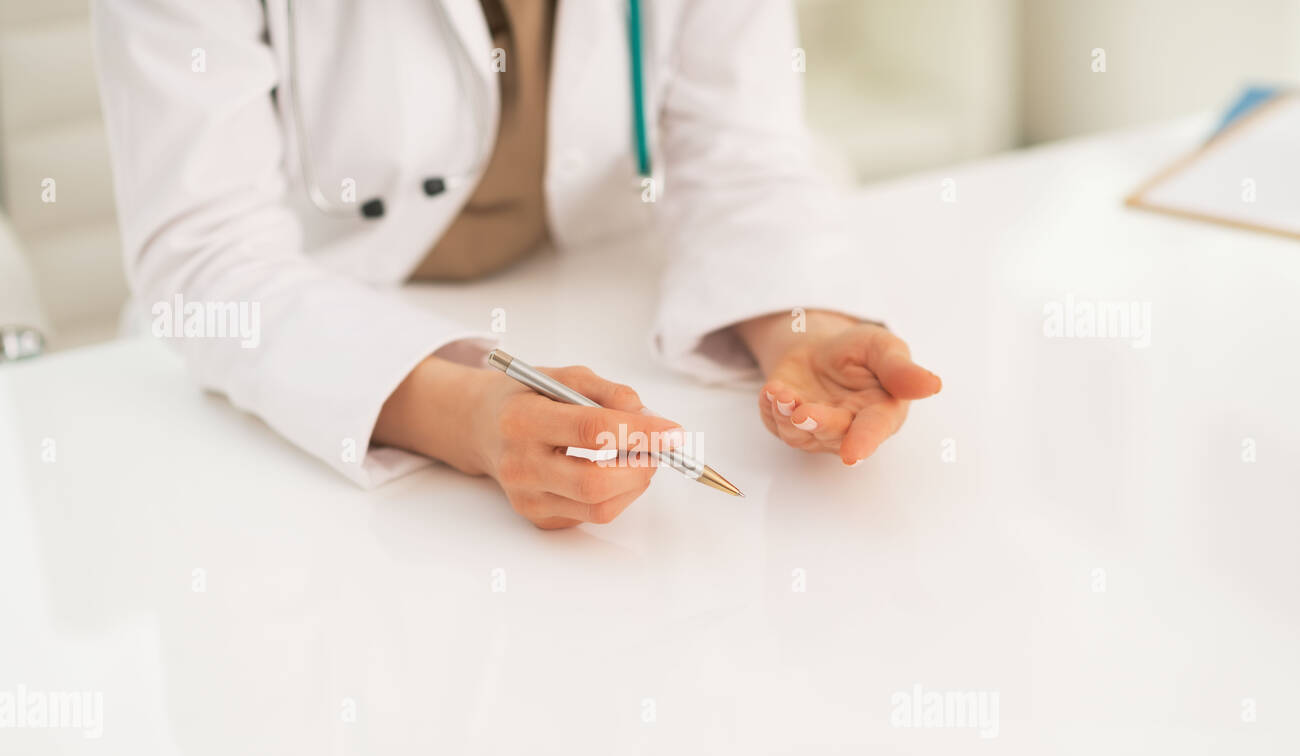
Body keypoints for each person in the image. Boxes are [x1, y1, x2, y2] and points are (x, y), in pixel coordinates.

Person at [94, 0, 941, 529]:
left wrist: (799, 322)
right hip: (301, 356)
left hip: (585, 281)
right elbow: (204, 250)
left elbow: (737, 148)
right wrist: (464, 415)